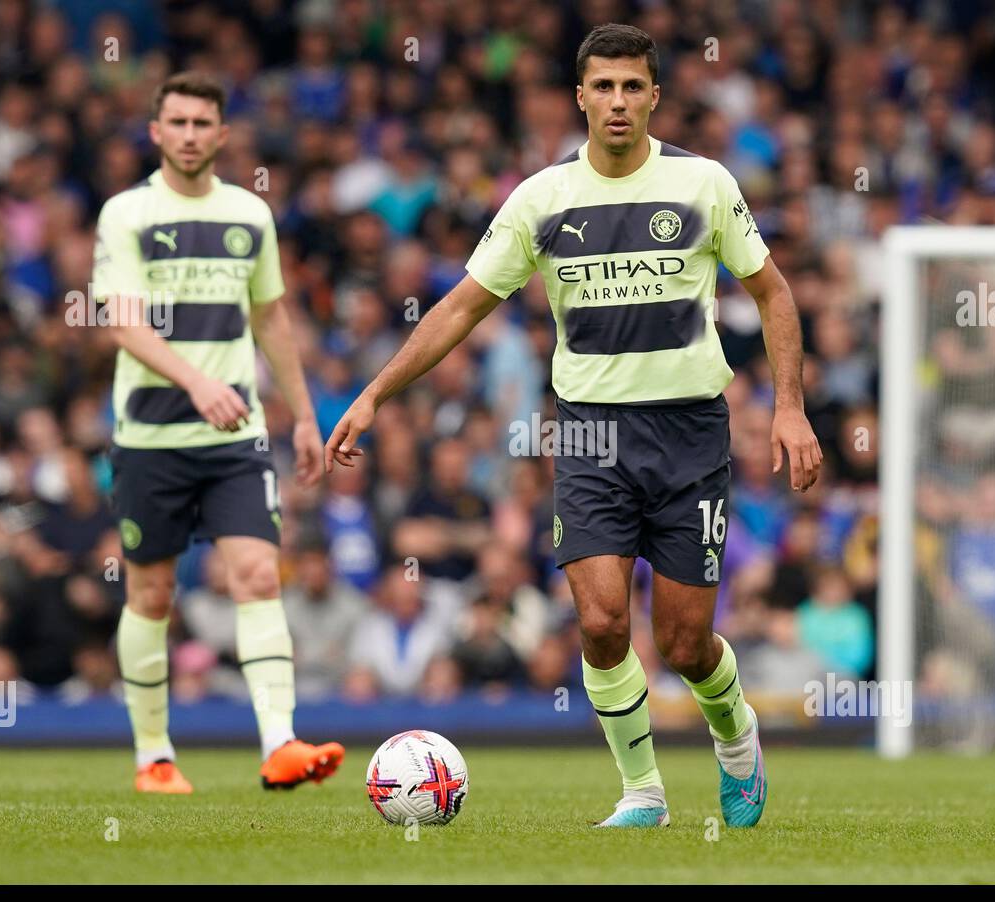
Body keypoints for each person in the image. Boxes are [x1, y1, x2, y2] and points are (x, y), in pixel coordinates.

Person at [325, 24, 821, 827]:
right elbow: (460, 305)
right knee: (597, 619)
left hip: (690, 433)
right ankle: (643, 792)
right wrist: (377, 391)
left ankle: (737, 743)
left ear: (654, 96)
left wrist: (790, 408)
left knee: (687, 643)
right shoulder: (541, 198)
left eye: (633, 87)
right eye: (604, 87)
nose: (618, 102)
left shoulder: (702, 184)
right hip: (590, 433)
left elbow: (773, 292)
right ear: (581, 96)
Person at [92, 72, 344, 793]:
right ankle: (153, 755)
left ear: (223, 135)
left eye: (205, 123)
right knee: (152, 594)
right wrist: (196, 381)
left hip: (234, 437)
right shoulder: (127, 213)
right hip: (149, 436)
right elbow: (122, 320)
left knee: (260, 574)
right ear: (157, 132)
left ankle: (280, 743)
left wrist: (302, 415)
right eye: (179, 122)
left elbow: (270, 317)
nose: (192, 134)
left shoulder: (249, 215)